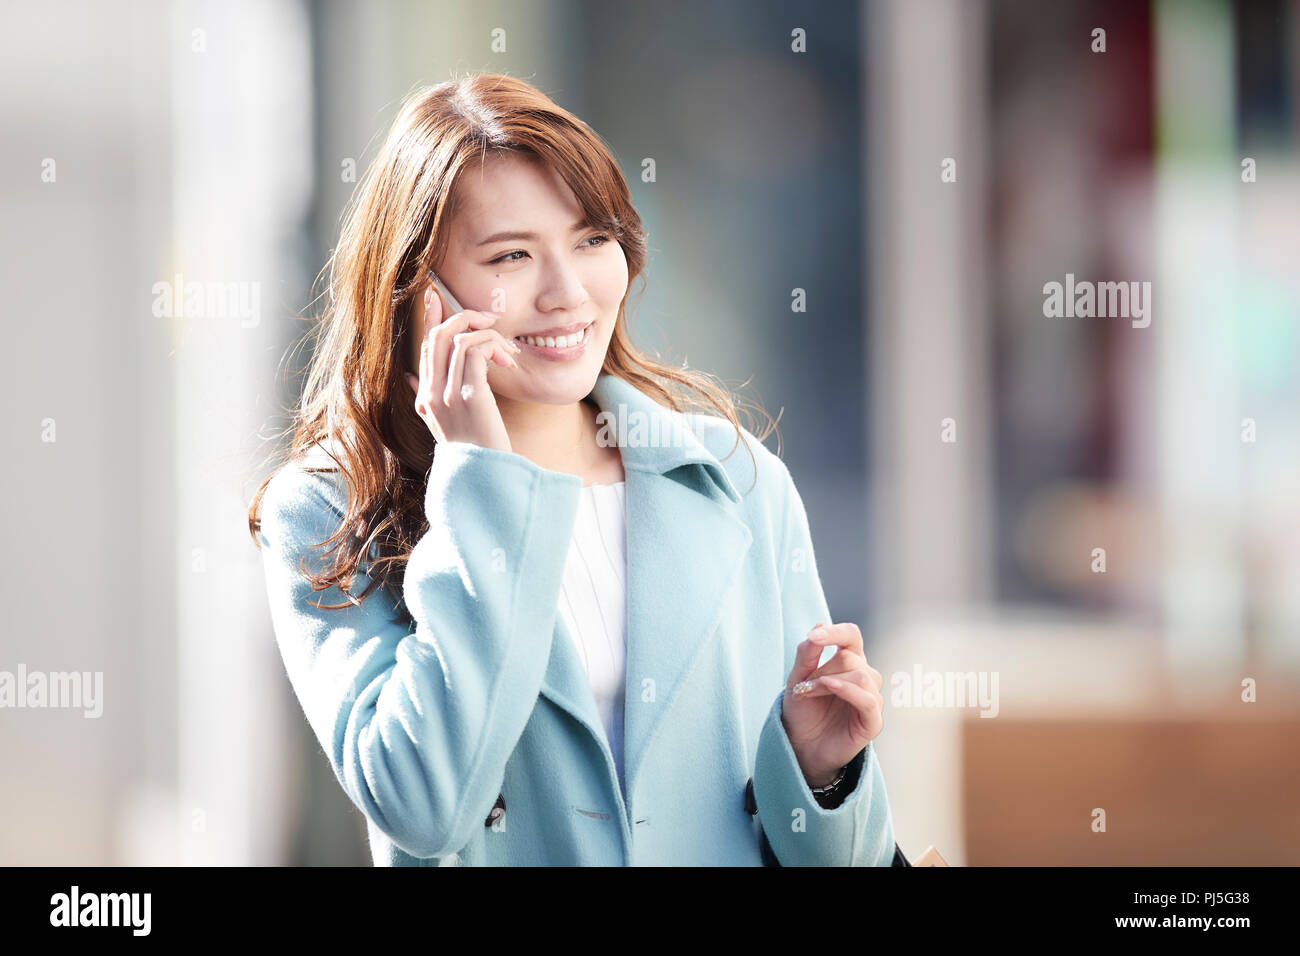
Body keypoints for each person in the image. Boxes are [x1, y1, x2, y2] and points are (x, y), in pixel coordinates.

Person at [248, 72, 896, 866]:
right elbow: (423, 805)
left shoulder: (736, 479)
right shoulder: (326, 511)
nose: (567, 293)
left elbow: (852, 857)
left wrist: (820, 777)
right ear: (420, 293)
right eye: (511, 255)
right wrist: (479, 479)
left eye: (593, 239)